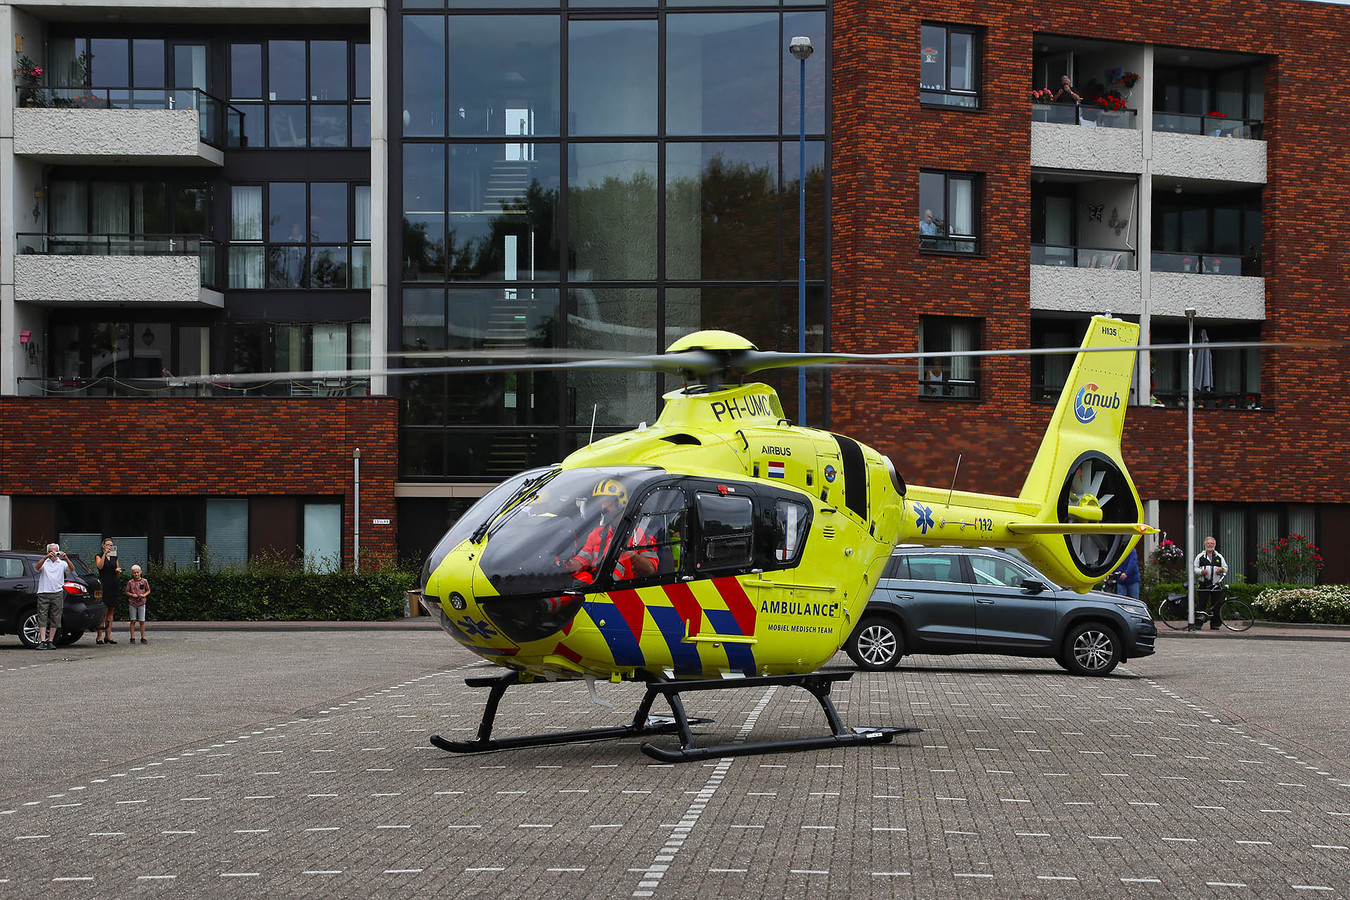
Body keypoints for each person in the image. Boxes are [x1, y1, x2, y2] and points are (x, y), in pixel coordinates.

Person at [562, 479, 657, 584]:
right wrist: (570, 565)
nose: (603, 507)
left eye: (607, 501)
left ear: (621, 502)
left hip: (623, 590)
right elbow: (583, 559)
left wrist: (632, 556)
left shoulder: (639, 533)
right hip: (594, 586)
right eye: (600, 502)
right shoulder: (597, 533)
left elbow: (650, 569)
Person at [34, 543, 71, 651]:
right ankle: (42, 641)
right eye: (51, 551)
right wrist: (46, 557)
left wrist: (66, 558)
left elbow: (71, 569)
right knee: (42, 616)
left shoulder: (62, 563)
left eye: (55, 551)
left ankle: (50, 641)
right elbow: (37, 567)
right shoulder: (45, 562)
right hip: (43, 591)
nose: (53, 553)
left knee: (56, 617)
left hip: (57, 592)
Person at [1194, 536, 1228, 630]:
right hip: (1203, 583)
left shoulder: (1219, 557)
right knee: (1201, 604)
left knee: (1216, 605)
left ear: (1214, 545)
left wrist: (1221, 569)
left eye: (1212, 543)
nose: (1210, 545)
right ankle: (1198, 623)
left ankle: (1215, 624)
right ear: (1205, 545)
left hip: (1215, 584)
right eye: (1208, 543)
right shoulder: (1200, 556)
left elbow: (1225, 567)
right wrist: (1201, 572)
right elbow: (1195, 568)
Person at [93, 538, 120, 645]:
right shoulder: (98, 555)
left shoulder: (114, 557)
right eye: (107, 545)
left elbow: (117, 570)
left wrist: (118, 571)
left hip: (113, 584)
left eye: (111, 545)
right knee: (103, 610)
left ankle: (108, 636)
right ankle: (99, 636)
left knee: (111, 610)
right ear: (103, 545)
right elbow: (100, 566)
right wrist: (104, 554)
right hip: (104, 584)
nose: (109, 547)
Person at [125, 565, 150, 644]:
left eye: (137, 572)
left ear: (140, 572)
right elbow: (126, 592)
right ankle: (132, 637)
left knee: (142, 621)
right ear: (132, 573)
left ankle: (143, 637)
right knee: (133, 620)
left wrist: (144, 595)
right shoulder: (130, 582)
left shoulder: (144, 581)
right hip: (133, 603)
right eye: (134, 573)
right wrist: (132, 595)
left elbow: (148, 590)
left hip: (142, 603)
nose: (136, 574)